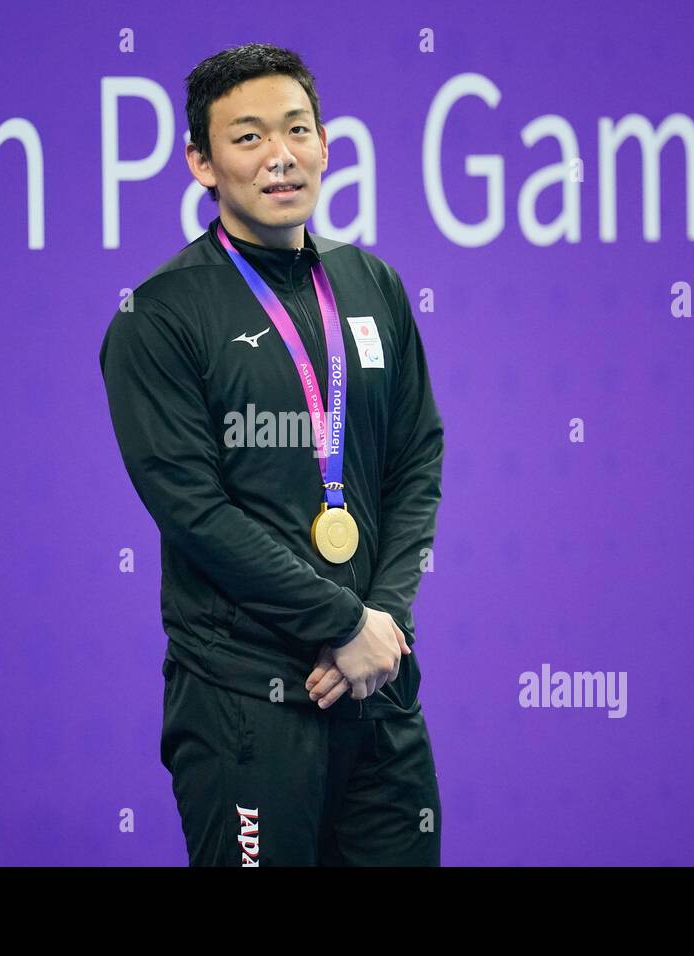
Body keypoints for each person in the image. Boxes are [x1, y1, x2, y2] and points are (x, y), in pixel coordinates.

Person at [99, 43, 445, 866]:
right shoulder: (158, 317)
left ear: (325, 142)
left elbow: (417, 459)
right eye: (248, 137)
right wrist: (341, 622)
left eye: (297, 129)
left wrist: (383, 623)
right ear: (201, 162)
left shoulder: (374, 285)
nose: (280, 155)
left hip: (377, 690)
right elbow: (196, 513)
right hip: (245, 708)